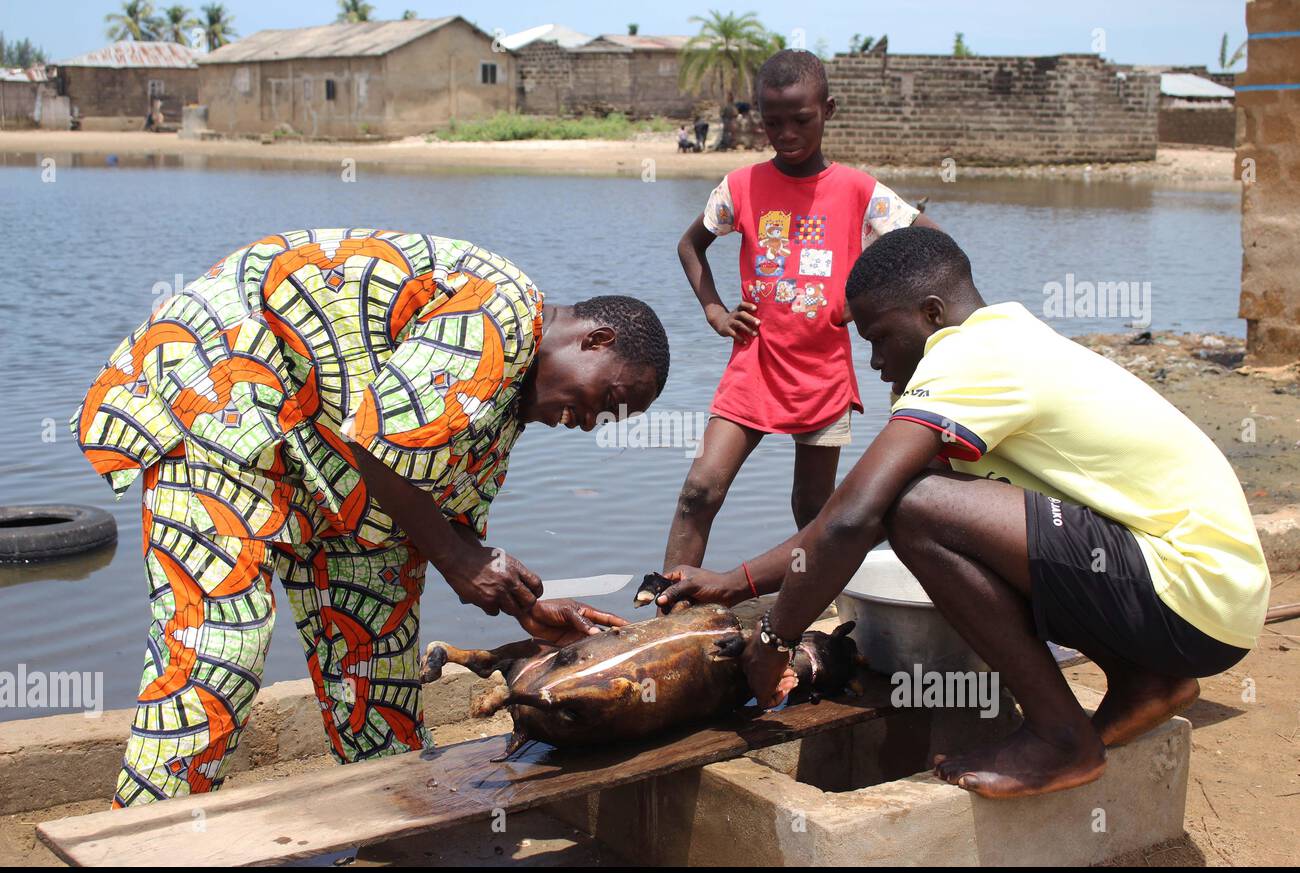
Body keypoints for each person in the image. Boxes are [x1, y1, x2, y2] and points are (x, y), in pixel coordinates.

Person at [656, 227, 1268, 798]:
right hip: (1210, 604)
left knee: (914, 505)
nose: (874, 364)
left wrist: (774, 637)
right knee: (913, 496)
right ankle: (1146, 684)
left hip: (1187, 595)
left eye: (878, 338)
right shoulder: (1004, 343)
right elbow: (848, 517)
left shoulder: (971, 355)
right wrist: (736, 584)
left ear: (931, 313)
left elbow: (857, 516)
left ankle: (1062, 738)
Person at [71, 228, 670, 807]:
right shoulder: (499, 312)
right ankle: (148, 847)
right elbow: (380, 442)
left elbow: (432, 507)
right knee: (221, 649)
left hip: (325, 454)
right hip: (219, 399)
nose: (589, 423)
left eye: (610, 421)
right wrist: (460, 560)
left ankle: (394, 818)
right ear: (595, 339)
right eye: (607, 400)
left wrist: (527, 608)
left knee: (378, 664)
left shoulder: (508, 400)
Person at [664, 49, 939, 583]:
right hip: (753, 367)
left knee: (812, 509)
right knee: (701, 488)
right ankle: (669, 611)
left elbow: (930, 244)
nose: (785, 133)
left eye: (800, 120)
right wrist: (716, 311)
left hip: (823, 376)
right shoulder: (741, 186)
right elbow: (690, 245)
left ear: (828, 110)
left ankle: (809, 612)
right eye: (772, 123)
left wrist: (865, 302)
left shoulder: (858, 191)